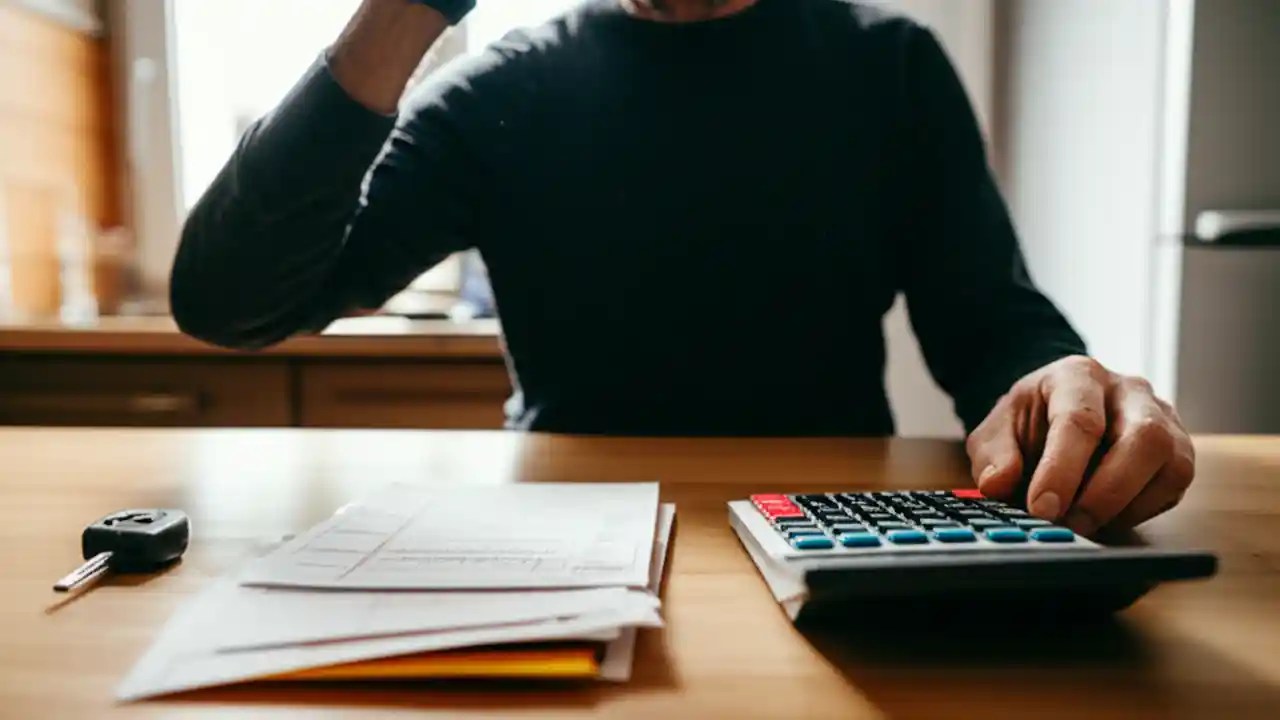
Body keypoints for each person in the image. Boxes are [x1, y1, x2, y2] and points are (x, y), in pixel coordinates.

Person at [171, 0, 1195, 536]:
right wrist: (408, 8)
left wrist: (1061, 385)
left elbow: (986, 325)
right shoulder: (499, 92)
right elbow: (232, 304)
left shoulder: (887, 67)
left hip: (824, 535)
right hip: (554, 546)